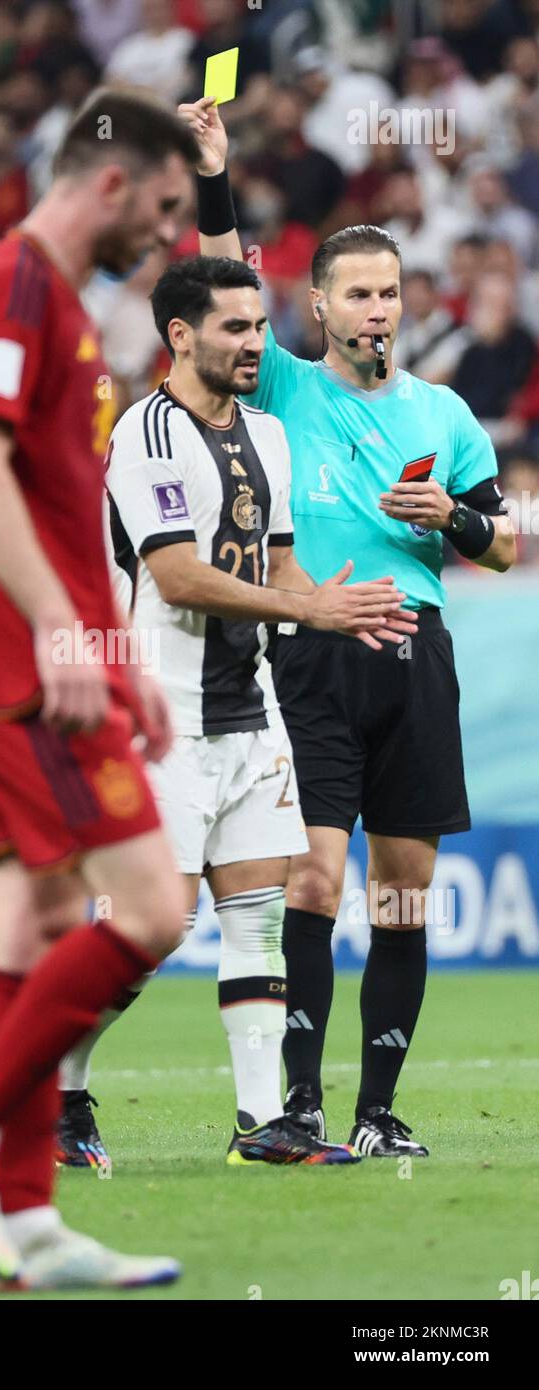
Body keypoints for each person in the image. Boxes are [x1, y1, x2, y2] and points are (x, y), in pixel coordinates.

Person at [0, 88, 198, 1292]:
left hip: (45, 662)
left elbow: (61, 508)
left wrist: (118, 659)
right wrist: (71, 639)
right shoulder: (14, 285)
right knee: (153, 911)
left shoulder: (51, 301)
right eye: (166, 207)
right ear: (112, 180)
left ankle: (24, 1223)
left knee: (31, 926)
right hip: (23, 671)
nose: (168, 235)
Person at [182, 95, 515, 1157]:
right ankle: (302, 1103)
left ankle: (376, 1109)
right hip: (312, 655)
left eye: (388, 293)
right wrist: (212, 172)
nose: (376, 310)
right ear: (317, 307)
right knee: (315, 878)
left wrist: (451, 517)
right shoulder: (281, 384)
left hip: (414, 656)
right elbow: (221, 271)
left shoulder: (444, 411)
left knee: (404, 891)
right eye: (356, 295)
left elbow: (501, 542)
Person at [69, 252, 414, 1168]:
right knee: (150, 928)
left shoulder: (266, 434)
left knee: (258, 915)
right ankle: (54, 1089)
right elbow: (177, 576)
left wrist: (341, 607)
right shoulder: (145, 434)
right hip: (158, 709)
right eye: (234, 327)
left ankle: (262, 1124)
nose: (255, 342)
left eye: (260, 326)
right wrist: (306, 610)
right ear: (180, 336)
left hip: (249, 709)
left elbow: (281, 565)